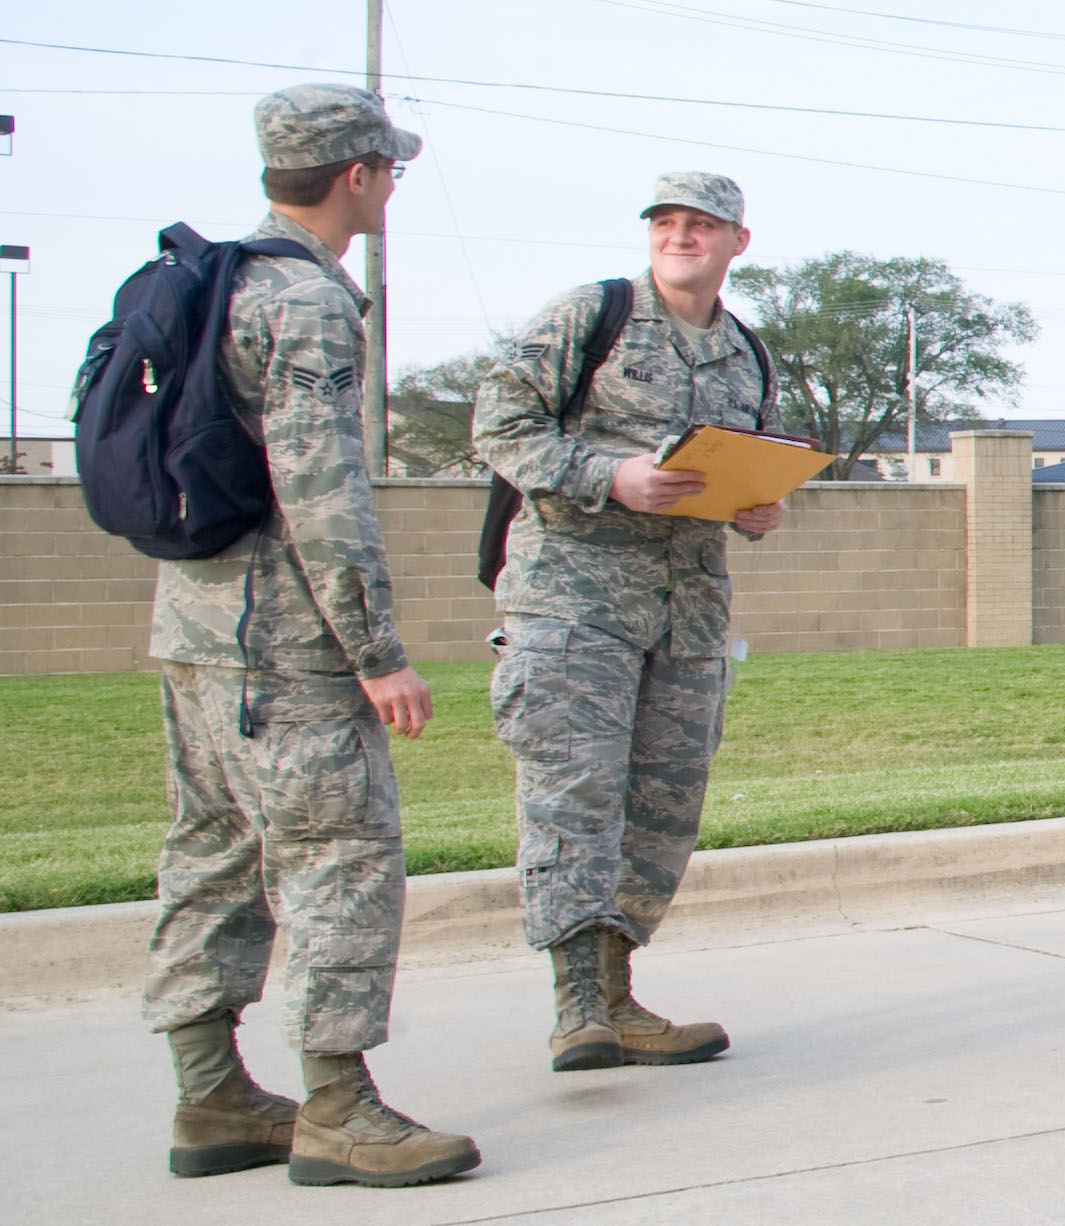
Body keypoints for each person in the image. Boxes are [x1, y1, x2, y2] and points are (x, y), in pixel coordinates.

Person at [141, 82, 480, 1188]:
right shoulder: (308, 302)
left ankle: (211, 1094)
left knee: (214, 853)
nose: (391, 186)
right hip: (288, 646)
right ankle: (337, 1103)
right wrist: (376, 650)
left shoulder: (214, 278)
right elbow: (323, 488)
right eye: (389, 169)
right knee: (339, 854)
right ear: (357, 175)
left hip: (193, 630)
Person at [474, 171, 777, 1075]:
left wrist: (756, 506)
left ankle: (618, 990)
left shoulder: (743, 350)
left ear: (736, 242)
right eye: (666, 223)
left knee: (661, 806)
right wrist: (609, 475)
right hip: (573, 602)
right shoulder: (591, 316)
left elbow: (741, 458)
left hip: (686, 611)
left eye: (700, 225)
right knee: (576, 800)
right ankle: (578, 1010)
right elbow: (498, 425)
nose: (680, 236)